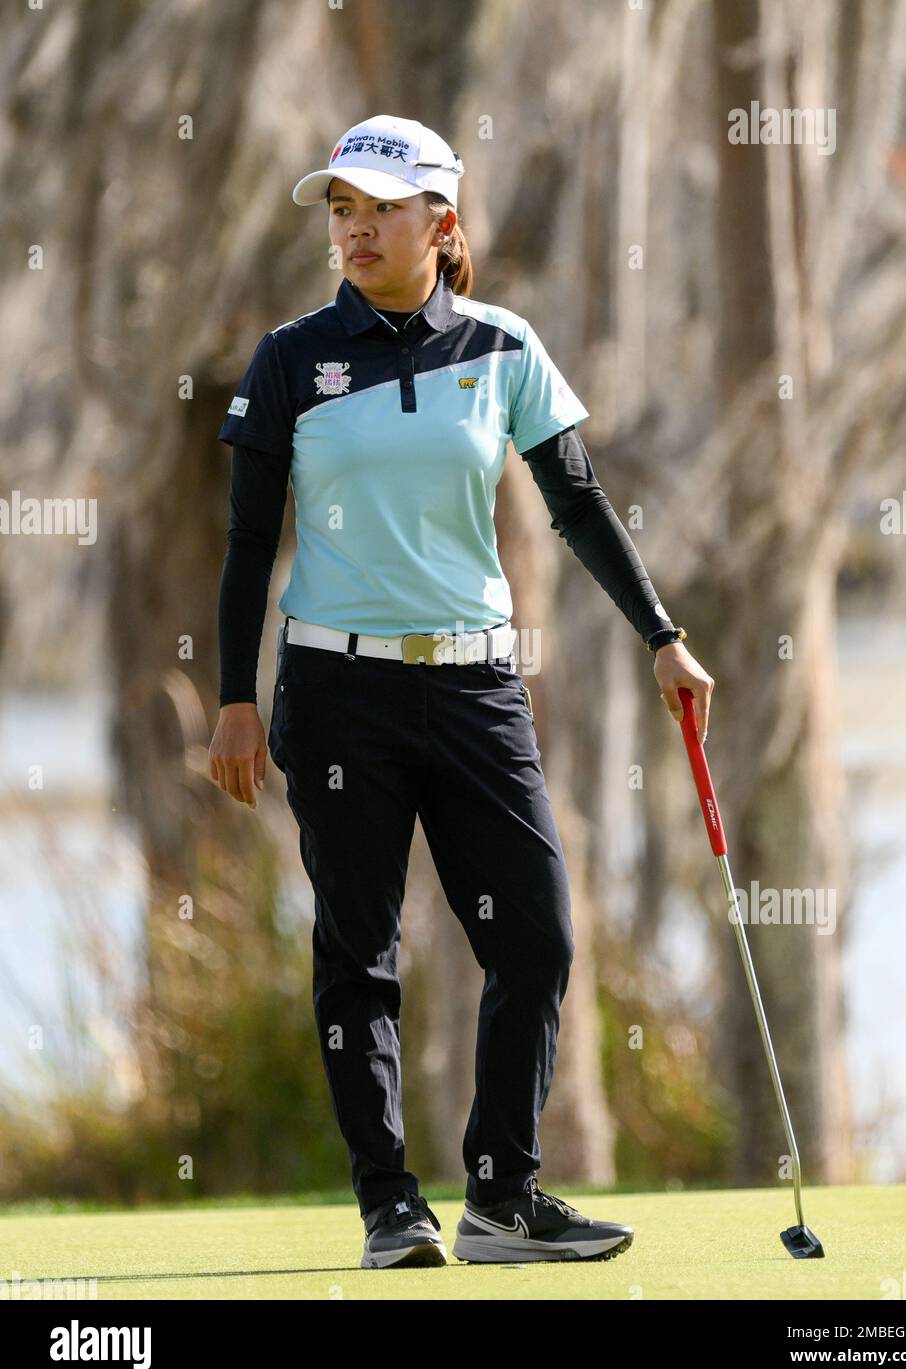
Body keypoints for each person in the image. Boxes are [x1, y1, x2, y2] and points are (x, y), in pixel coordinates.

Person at [208, 115, 715, 1269]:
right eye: (339, 209)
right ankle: (392, 1206)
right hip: (337, 690)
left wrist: (662, 636)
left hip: (479, 683)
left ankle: (502, 1197)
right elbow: (247, 542)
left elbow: (576, 502)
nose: (353, 229)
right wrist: (234, 696)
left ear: (441, 218)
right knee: (360, 952)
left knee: (535, 937)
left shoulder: (502, 346)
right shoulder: (293, 356)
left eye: (378, 209)